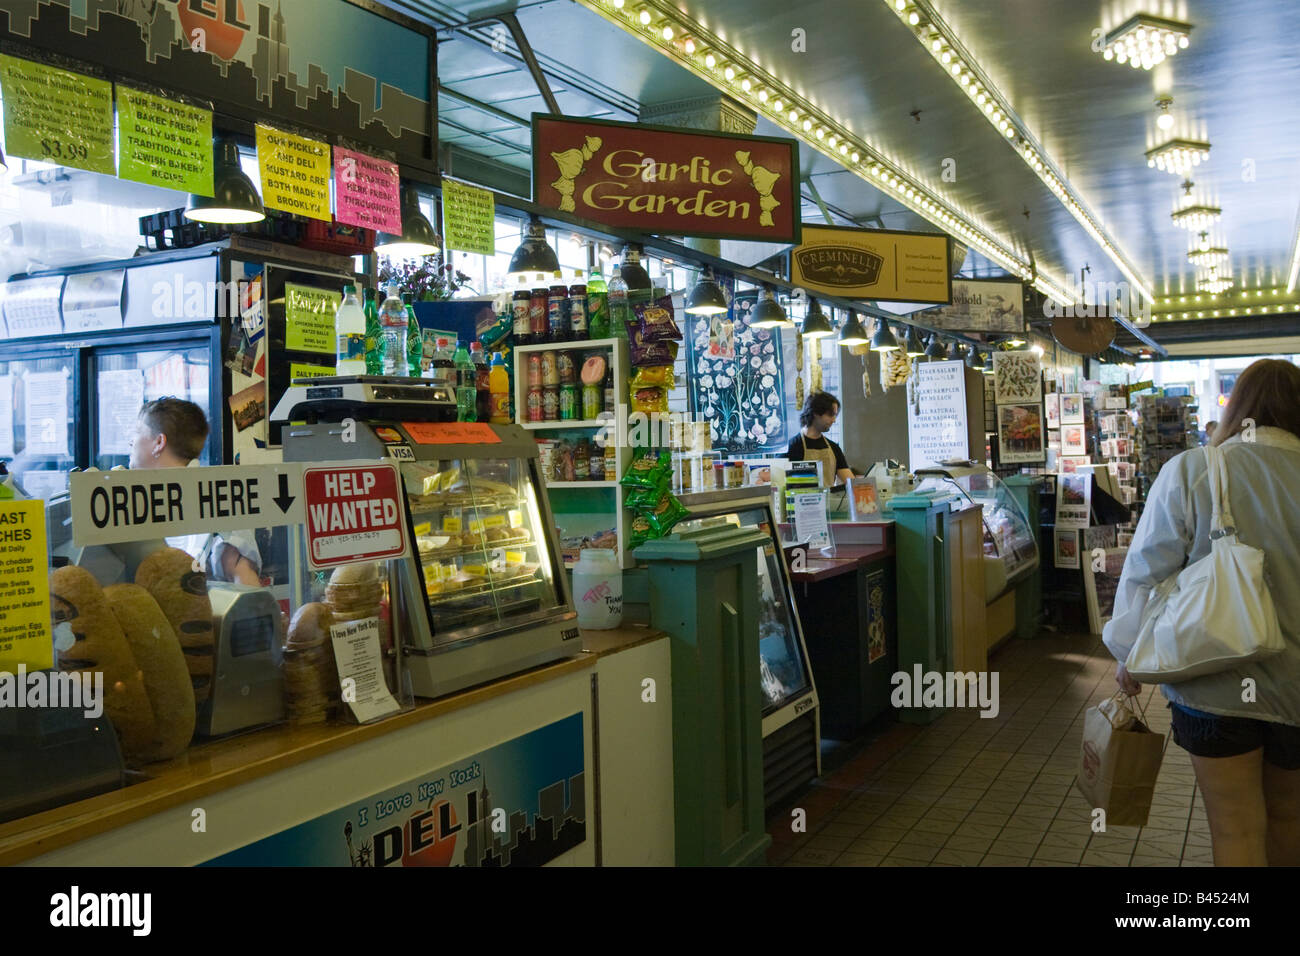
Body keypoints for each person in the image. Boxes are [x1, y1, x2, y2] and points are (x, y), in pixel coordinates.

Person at [1103, 359, 1300, 866]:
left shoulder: (1194, 470)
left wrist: (1128, 652)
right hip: (1296, 688)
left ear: (1238, 408)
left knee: (1235, 829)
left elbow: (1145, 572)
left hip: (1212, 683)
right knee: (1289, 818)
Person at [129, 397, 262, 587]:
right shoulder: (135, 502)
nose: (131, 442)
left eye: (137, 433)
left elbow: (247, 586)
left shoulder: (216, 504)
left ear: (159, 442)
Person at [786, 391, 854, 485]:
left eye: (835, 415)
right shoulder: (792, 447)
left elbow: (851, 483)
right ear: (816, 413)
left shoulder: (834, 448)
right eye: (830, 415)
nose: (834, 420)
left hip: (829, 495)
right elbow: (779, 484)